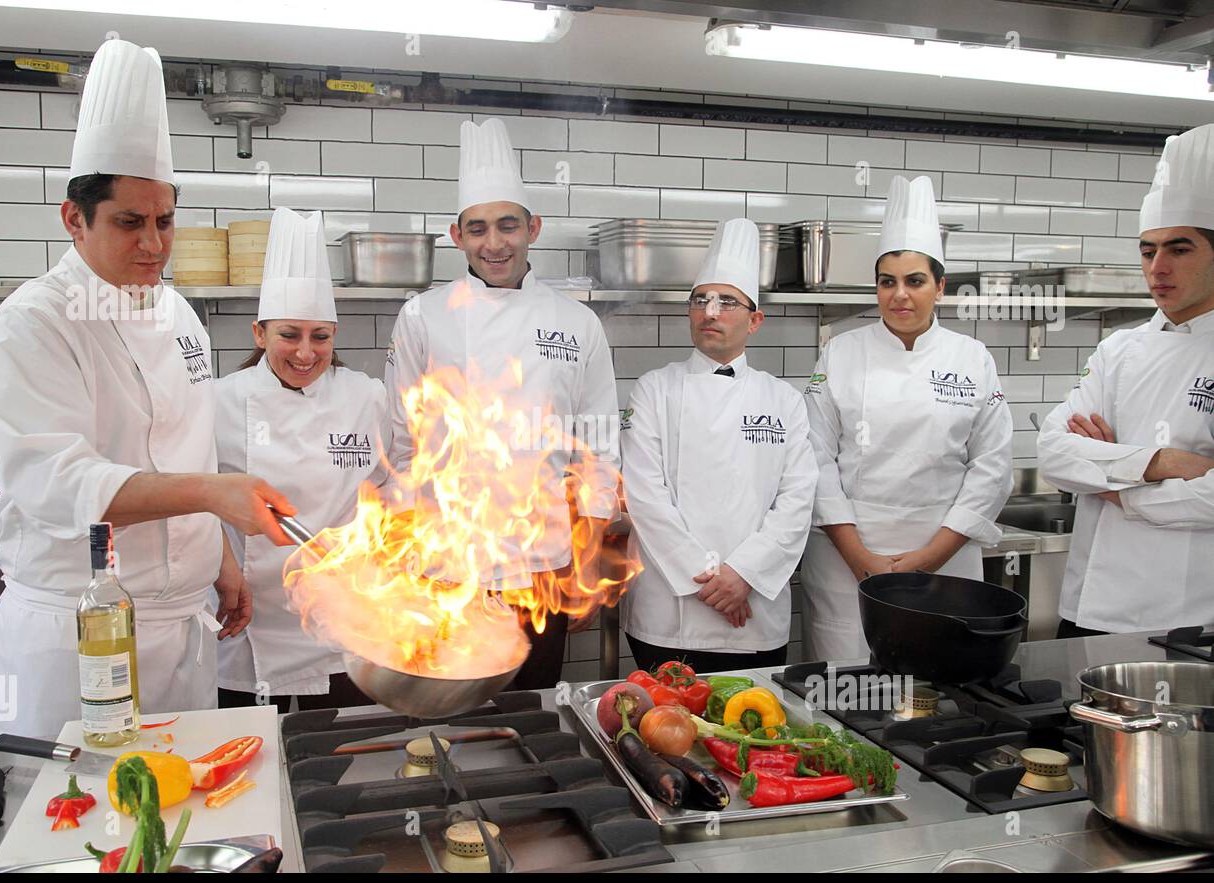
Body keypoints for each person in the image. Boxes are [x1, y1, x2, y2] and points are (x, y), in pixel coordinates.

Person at [0, 39, 294, 739]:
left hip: (183, 632)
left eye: (165, 221)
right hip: (74, 637)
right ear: (73, 219)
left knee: (186, 829)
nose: (153, 244)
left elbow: (191, 446)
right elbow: (60, 484)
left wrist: (221, 554)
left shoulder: (177, 313)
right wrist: (213, 498)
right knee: (75, 839)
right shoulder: (35, 322)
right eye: (128, 222)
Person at [384, 117, 619, 689]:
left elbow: (597, 453)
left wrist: (585, 563)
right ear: (456, 234)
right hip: (445, 567)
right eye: (478, 228)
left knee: (533, 715)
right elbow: (401, 446)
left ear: (533, 227)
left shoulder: (576, 322)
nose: (495, 243)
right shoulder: (422, 316)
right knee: (448, 712)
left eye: (508, 225)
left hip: (541, 564)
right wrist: (401, 557)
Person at [801, 175, 1013, 663]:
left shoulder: (972, 357)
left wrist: (928, 559)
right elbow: (815, 459)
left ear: (939, 286)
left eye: (914, 281)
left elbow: (992, 465)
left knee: (935, 695)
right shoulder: (840, 354)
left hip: (946, 559)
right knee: (848, 695)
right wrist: (861, 559)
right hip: (847, 560)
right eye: (887, 282)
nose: (899, 295)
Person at [1038, 123, 1214, 637]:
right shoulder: (1119, 347)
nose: (1157, 267)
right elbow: (1054, 452)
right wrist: (1164, 462)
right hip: (1086, 608)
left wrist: (1114, 487)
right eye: (1147, 250)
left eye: (1179, 249)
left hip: (1186, 617)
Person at [620, 218, 818, 671]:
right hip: (670, 613)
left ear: (756, 320)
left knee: (753, 732)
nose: (710, 311)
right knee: (663, 732)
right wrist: (714, 583)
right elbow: (645, 496)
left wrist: (742, 576)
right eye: (700, 300)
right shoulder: (654, 389)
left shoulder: (783, 400)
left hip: (753, 610)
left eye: (727, 301)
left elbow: (797, 500)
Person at [214, 208, 390, 711]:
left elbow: (394, 487)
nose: (306, 353)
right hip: (246, 617)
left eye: (321, 336)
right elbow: (199, 505)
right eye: (289, 334)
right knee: (249, 759)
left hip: (339, 618)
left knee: (333, 763)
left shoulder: (367, 397)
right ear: (259, 332)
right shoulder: (218, 401)